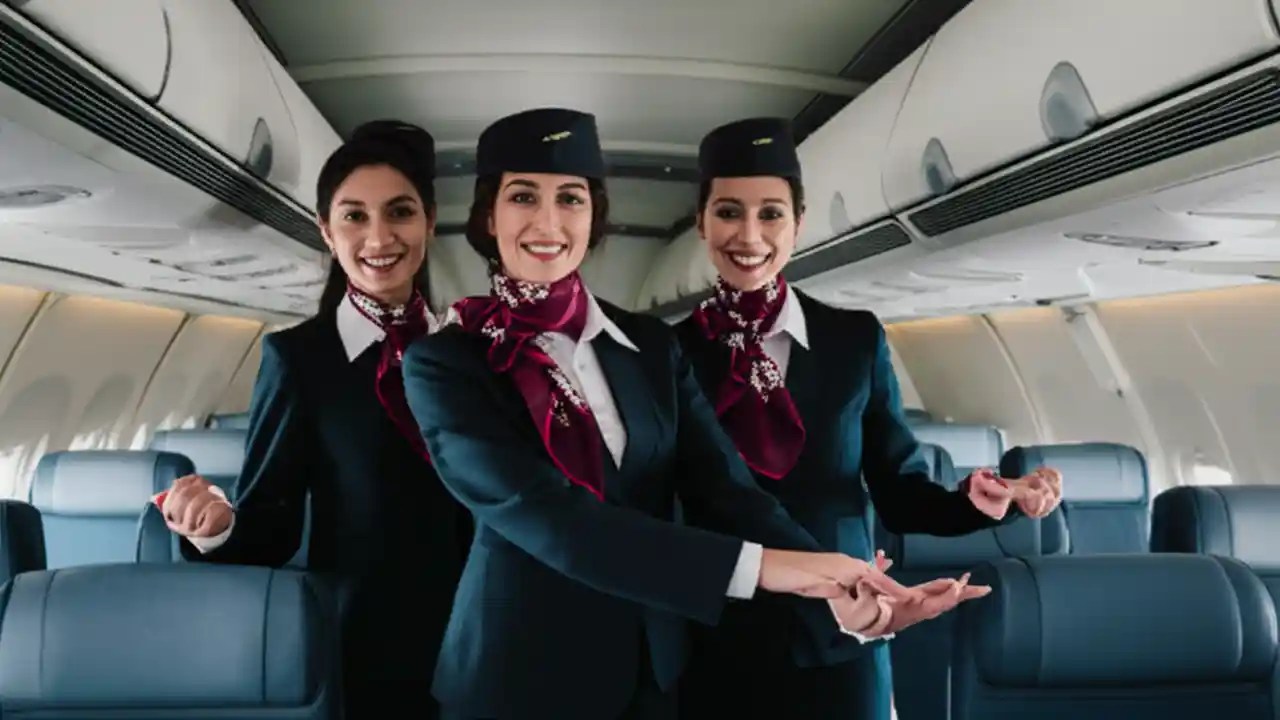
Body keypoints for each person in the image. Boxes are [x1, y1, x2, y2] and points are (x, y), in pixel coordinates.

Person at [399, 107, 988, 720]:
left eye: (571, 199)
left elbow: (727, 492)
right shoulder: (445, 363)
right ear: (488, 216)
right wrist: (776, 569)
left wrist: (840, 591)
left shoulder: (649, 346)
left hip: (652, 672)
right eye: (524, 197)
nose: (549, 222)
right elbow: (554, 519)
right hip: (516, 674)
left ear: (594, 215)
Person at [673, 116, 1065, 720]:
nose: (749, 234)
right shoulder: (666, 352)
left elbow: (899, 492)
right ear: (702, 222)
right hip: (710, 636)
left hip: (843, 630)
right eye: (728, 211)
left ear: (798, 225)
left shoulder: (851, 340)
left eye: (771, 213)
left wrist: (983, 500)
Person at [158, 119, 471, 718]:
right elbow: (272, 524)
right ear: (328, 232)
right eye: (354, 216)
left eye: (399, 212)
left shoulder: (472, 351)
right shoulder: (300, 359)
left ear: (429, 221)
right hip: (366, 647)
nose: (378, 236)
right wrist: (215, 526)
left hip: (481, 633)